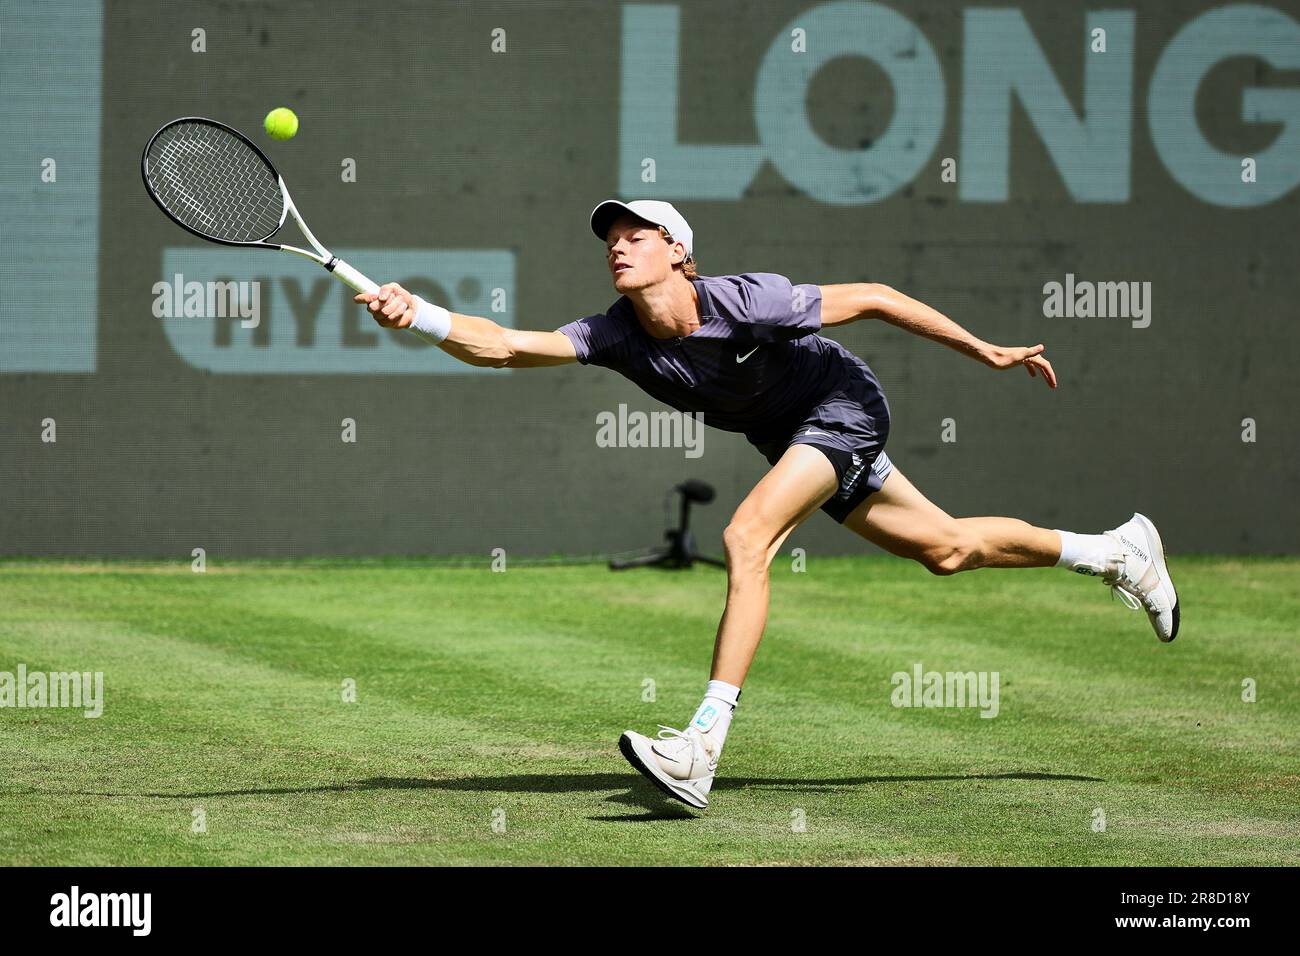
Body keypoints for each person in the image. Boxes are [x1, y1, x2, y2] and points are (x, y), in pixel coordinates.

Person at [354, 199, 1180, 810]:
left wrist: (984, 349)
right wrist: (417, 315)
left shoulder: (746, 300)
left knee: (746, 537)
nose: (619, 248)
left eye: (637, 236)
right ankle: (1118, 552)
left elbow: (881, 297)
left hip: (843, 409)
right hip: (791, 438)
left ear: (680, 253)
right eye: (611, 240)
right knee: (947, 549)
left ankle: (701, 747)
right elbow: (503, 345)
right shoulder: (615, 334)